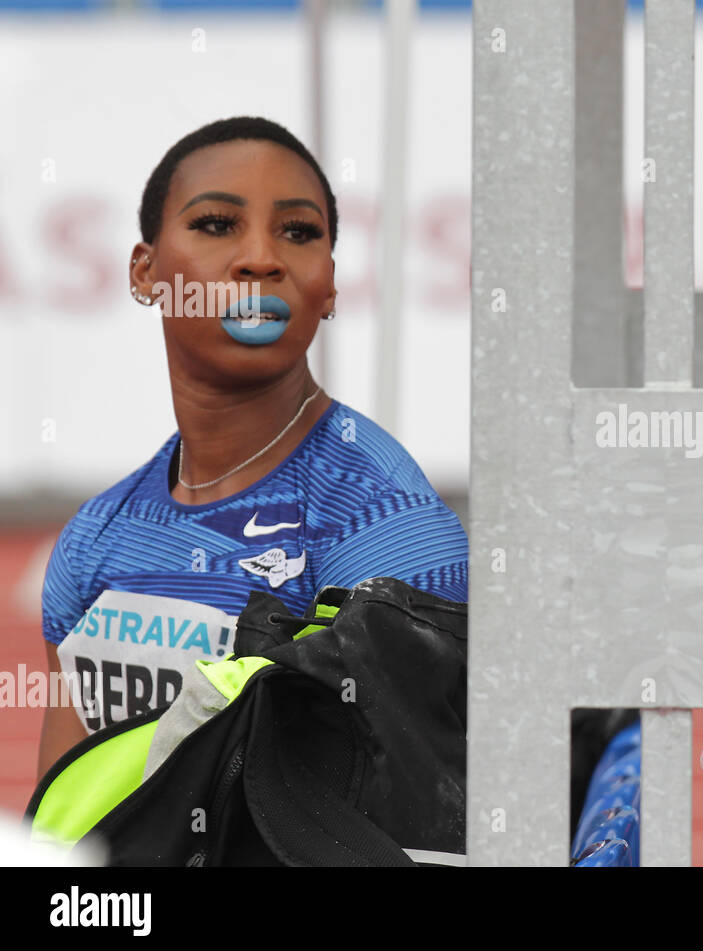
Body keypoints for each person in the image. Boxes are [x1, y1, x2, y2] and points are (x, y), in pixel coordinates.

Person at [37, 116, 469, 781]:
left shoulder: (389, 536)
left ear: (327, 287)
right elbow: (62, 829)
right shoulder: (95, 540)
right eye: (216, 224)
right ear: (146, 272)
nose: (262, 258)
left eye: (298, 232)